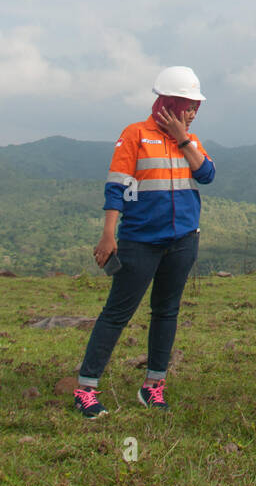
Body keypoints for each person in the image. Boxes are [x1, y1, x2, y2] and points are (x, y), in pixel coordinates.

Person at [73, 66, 214, 418]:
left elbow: (207, 175)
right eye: (189, 105)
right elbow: (116, 187)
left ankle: (153, 386)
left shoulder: (190, 141)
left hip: (182, 241)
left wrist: (183, 138)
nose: (194, 112)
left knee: (166, 311)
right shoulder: (135, 134)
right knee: (117, 312)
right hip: (139, 242)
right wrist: (109, 234)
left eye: (197, 106)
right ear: (168, 102)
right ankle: (86, 388)